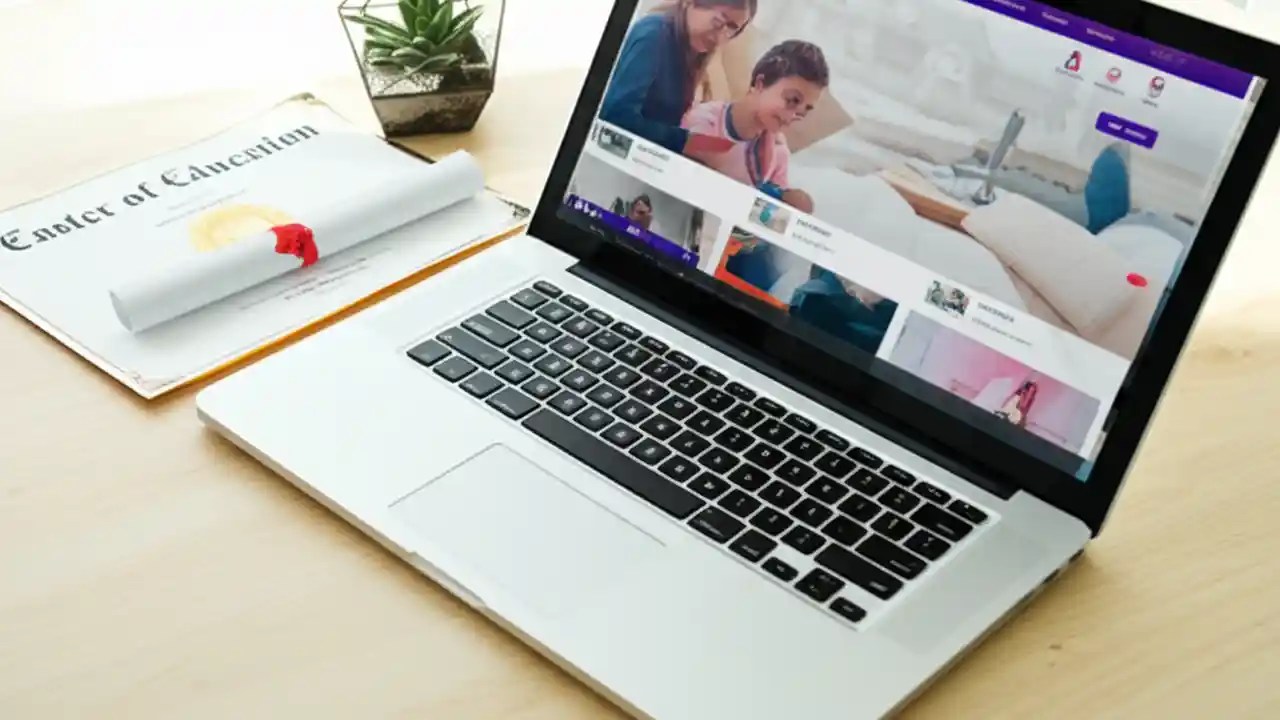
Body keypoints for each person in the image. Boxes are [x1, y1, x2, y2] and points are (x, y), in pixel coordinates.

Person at [681, 40, 829, 213]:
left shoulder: (778, 152)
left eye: (804, 111)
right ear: (760, 83)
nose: (792, 116)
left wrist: (787, 203)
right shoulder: (704, 121)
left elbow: (765, 217)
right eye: (792, 100)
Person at [600, 0, 757, 158]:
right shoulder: (654, 34)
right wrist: (687, 141)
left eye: (732, 31)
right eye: (719, 21)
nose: (719, 38)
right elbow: (615, 116)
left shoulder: (691, 53)